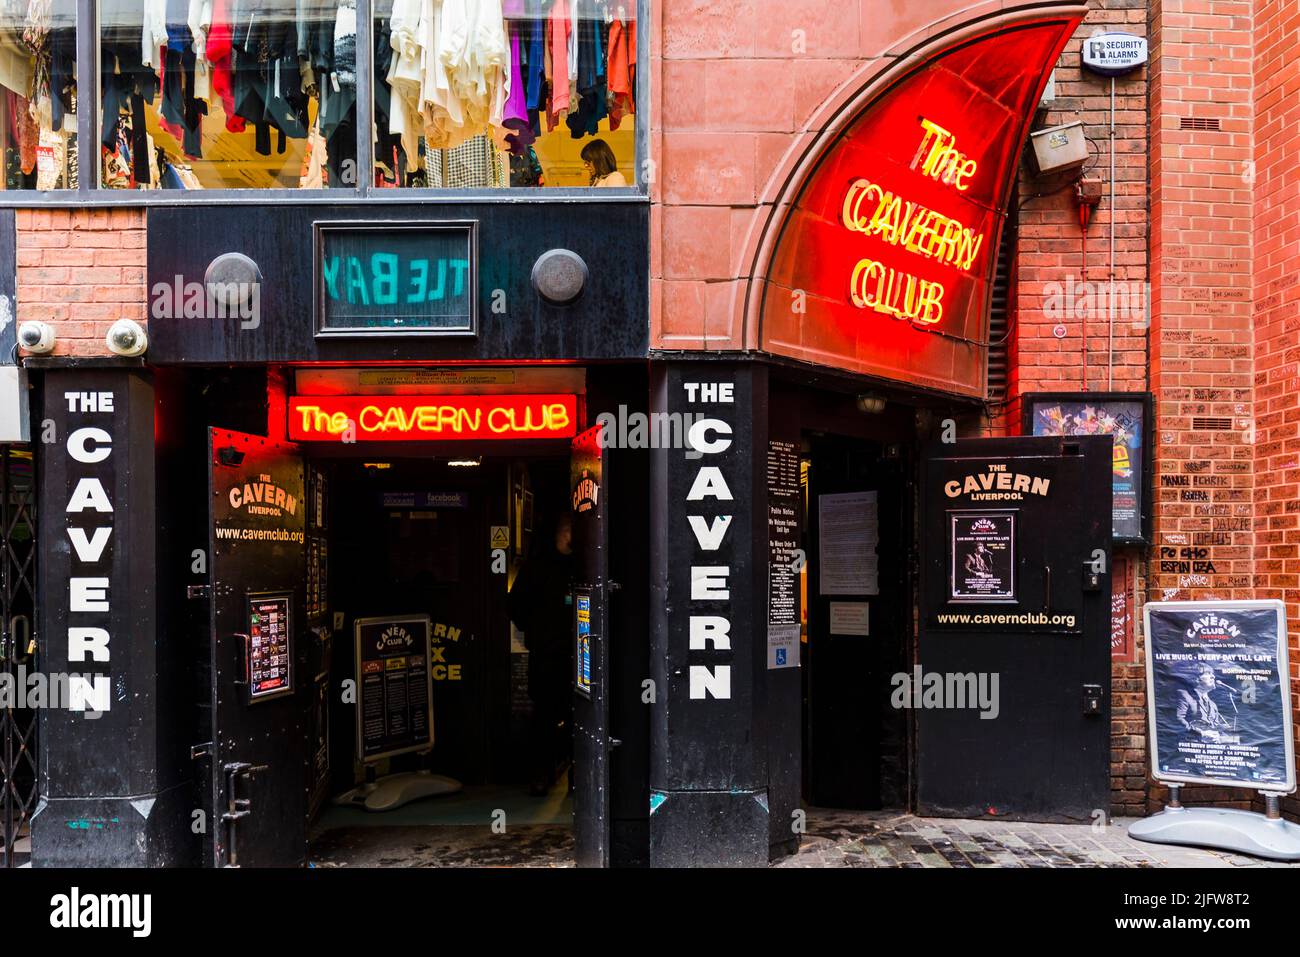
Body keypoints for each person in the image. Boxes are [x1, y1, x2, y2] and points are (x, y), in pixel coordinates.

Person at [508, 511, 576, 795]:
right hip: (548, 654)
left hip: (574, 654)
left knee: (575, 717)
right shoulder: (540, 567)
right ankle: (543, 776)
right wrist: (536, 633)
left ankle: (574, 778)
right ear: (561, 531)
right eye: (571, 529)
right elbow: (514, 606)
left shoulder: (580, 564)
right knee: (546, 717)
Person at [1175, 664, 1229, 734]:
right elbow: (1178, 720)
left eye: (1212, 674)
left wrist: (1224, 734)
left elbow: (1215, 728)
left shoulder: (1213, 705)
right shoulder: (1184, 694)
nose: (1213, 676)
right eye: (1208, 673)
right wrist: (1201, 734)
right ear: (1196, 678)